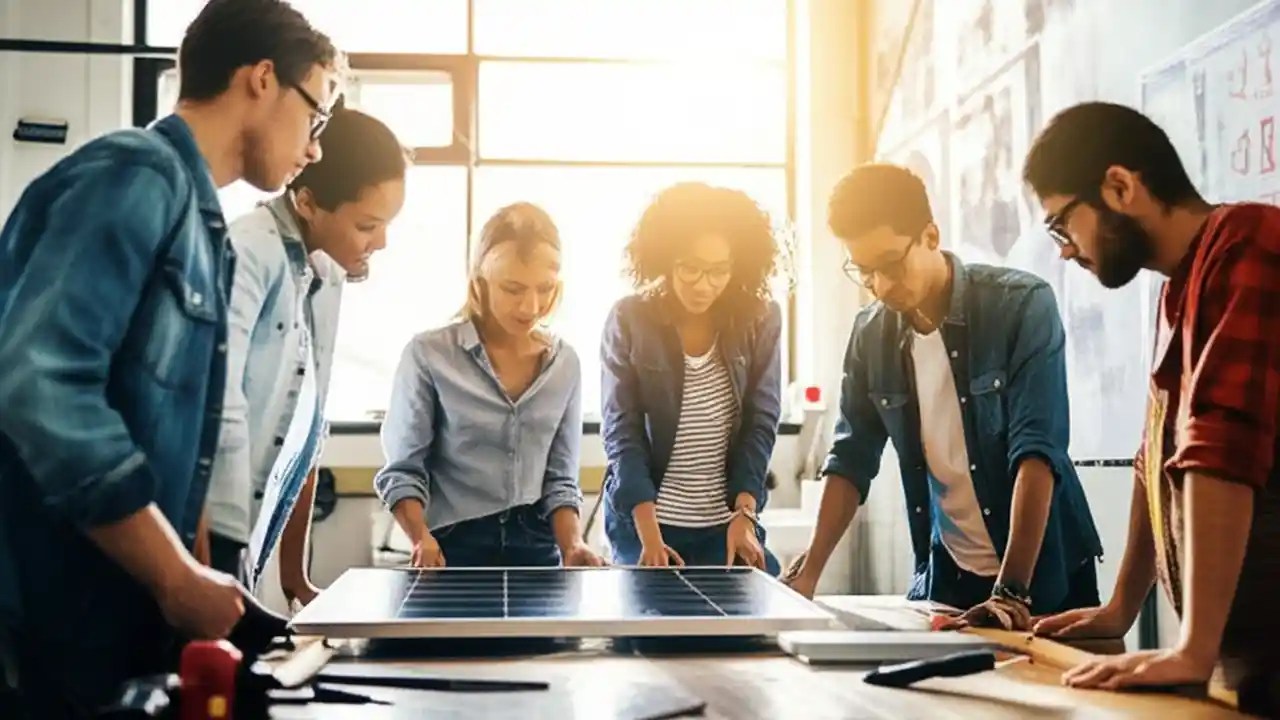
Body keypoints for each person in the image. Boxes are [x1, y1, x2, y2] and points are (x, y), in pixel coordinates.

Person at [0, 0, 339, 715]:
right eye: (317, 115)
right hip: (50, 626)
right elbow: (42, 386)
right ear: (262, 79)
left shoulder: (205, 226)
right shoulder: (135, 176)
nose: (314, 148)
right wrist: (174, 577)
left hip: (118, 630)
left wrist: (206, 588)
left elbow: (186, 443)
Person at [1023, 101, 1280, 711]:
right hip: (1244, 659)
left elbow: (1222, 445)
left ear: (1120, 187)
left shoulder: (1251, 243)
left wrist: (1192, 648)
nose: (1064, 250)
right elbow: (1155, 456)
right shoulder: (1176, 292)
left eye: (1062, 224)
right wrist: (1121, 607)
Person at [783, 163, 1102, 628]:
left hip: (1044, 576)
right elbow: (851, 458)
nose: (881, 286)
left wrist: (1011, 594)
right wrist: (809, 573)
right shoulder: (871, 335)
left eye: (891, 265)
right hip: (950, 579)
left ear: (930, 236)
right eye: (865, 271)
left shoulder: (1020, 305)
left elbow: (1037, 451)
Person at [202, 107, 407, 606]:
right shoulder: (247, 252)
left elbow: (306, 426)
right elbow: (211, 419)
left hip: (248, 550)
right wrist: (207, 569)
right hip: (207, 542)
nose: (381, 242)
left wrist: (295, 577)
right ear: (309, 202)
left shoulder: (327, 271)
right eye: (367, 225)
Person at [375, 203, 605, 569]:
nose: (531, 306)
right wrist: (421, 539)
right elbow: (403, 469)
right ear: (479, 282)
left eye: (544, 288)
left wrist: (573, 544)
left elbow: (560, 478)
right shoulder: (428, 355)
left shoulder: (566, 363)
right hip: (449, 545)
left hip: (537, 546)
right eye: (513, 288)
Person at [601, 182, 784, 574]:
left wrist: (745, 515)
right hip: (647, 524)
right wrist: (648, 537)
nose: (704, 284)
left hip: (728, 523)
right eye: (690, 268)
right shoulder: (629, 319)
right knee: (645, 630)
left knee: (745, 631)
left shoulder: (760, 319)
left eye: (720, 270)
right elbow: (622, 430)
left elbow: (761, 423)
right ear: (665, 258)